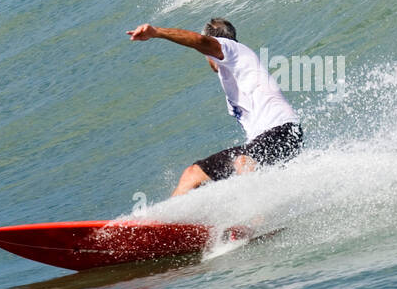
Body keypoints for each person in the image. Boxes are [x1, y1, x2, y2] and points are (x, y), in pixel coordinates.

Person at [127, 18, 303, 196]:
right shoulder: (234, 72)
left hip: (284, 131)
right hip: (263, 142)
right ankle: (166, 220)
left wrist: (156, 32)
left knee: (243, 161)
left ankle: (259, 219)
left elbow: (200, 41)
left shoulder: (232, 48)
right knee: (193, 174)